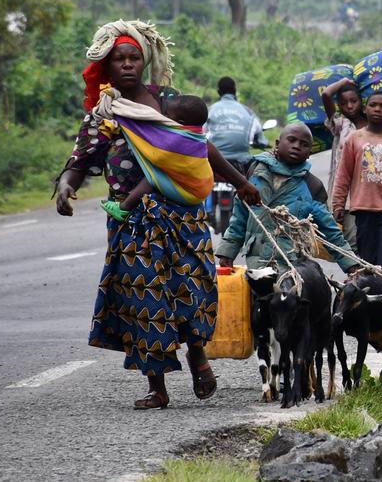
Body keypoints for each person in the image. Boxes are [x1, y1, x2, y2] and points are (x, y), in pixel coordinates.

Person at [55, 20, 262, 410]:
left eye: (135, 57)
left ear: (145, 60)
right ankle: (157, 386)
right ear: (108, 65)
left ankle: (198, 354)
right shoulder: (104, 113)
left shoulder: (168, 101)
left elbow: (199, 147)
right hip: (132, 221)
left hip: (182, 214)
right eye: (120, 59)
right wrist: (68, 185)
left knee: (193, 287)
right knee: (144, 298)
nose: (128, 64)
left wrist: (240, 183)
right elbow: (80, 160)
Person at [215, 123, 357, 272]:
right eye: (291, 140)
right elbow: (239, 220)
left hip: (291, 266)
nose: (297, 146)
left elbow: (331, 232)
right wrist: (227, 254)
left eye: (304, 144)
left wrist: (353, 266)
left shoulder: (312, 186)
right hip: (255, 265)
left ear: (309, 153)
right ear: (277, 143)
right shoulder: (255, 173)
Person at [331, 91, 382, 275]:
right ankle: (373, 298)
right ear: (365, 108)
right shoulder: (354, 139)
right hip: (362, 210)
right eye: (373, 105)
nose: (377, 109)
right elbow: (343, 174)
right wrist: (337, 204)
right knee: (368, 262)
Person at [102, 95, 209, 222]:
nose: (163, 117)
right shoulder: (199, 137)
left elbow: (157, 155)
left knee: (153, 177)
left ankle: (124, 207)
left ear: (180, 122)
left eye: (167, 115)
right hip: (204, 186)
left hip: (190, 192)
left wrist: (123, 119)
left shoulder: (177, 141)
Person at [321, 77, 367, 245]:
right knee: (352, 240)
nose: (349, 106)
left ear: (362, 101)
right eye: (344, 103)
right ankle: (358, 272)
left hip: (370, 192)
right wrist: (344, 81)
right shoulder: (340, 124)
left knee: (371, 240)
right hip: (346, 195)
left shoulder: (373, 124)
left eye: (353, 101)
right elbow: (326, 94)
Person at [205, 77, 267, 172]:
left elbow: (201, 133)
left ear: (218, 91)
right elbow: (262, 140)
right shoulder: (248, 112)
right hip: (242, 162)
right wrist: (263, 142)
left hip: (214, 161)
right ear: (235, 90)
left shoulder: (210, 110)